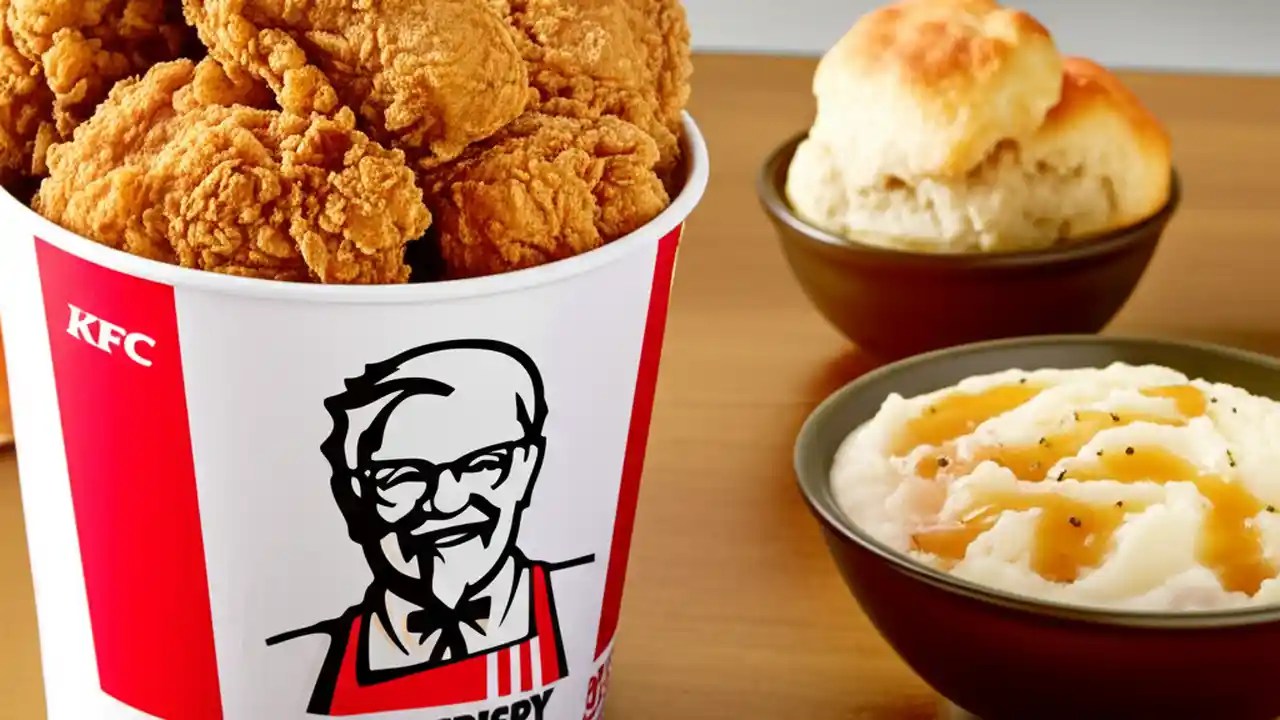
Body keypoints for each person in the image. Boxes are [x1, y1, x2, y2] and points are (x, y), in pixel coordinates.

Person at [268, 340, 591, 716]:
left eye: (484, 465)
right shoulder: (291, 661)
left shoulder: (582, 604)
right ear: (353, 499)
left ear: (527, 469)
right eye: (402, 476)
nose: (447, 502)